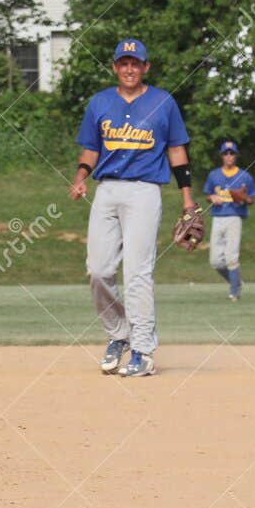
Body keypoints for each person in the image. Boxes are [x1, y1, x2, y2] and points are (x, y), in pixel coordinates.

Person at [70, 38, 198, 378]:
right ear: (115, 67)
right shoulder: (100, 103)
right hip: (106, 189)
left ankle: (142, 350)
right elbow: (90, 150)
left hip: (145, 191)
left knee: (138, 273)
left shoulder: (163, 102)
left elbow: (177, 151)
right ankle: (118, 335)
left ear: (145, 67)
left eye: (135, 63)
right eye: (123, 62)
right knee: (98, 269)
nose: (129, 68)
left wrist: (187, 197)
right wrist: (81, 176)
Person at [203, 141, 255, 301]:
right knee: (215, 261)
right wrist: (211, 197)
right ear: (221, 156)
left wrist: (244, 199)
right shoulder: (214, 175)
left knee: (231, 256)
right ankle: (237, 282)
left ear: (236, 155)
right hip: (217, 217)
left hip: (234, 217)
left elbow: (251, 198)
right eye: (225, 153)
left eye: (231, 153)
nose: (228, 156)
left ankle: (234, 292)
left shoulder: (244, 176)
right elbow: (208, 194)